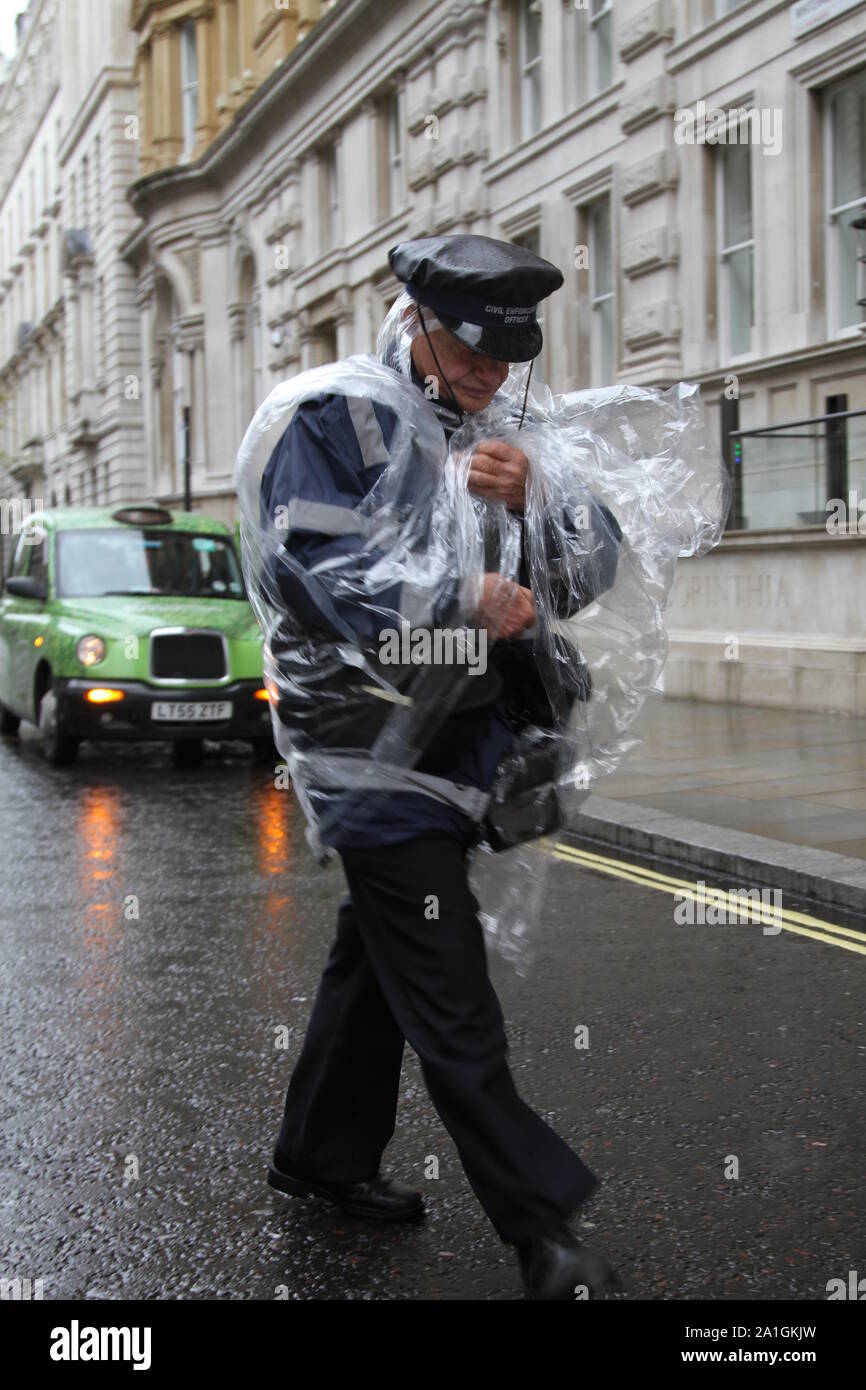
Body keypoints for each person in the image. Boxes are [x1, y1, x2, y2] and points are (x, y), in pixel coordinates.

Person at [258, 234, 623, 1299]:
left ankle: (317, 1155)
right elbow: (303, 570)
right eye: (470, 353)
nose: (488, 376)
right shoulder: (337, 416)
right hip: (364, 745)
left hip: (464, 738)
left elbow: (585, 568)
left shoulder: (513, 427)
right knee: (444, 982)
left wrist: (537, 498)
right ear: (414, 320)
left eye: (509, 358)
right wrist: (451, 597)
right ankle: (541, 1228)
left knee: (375, 960)